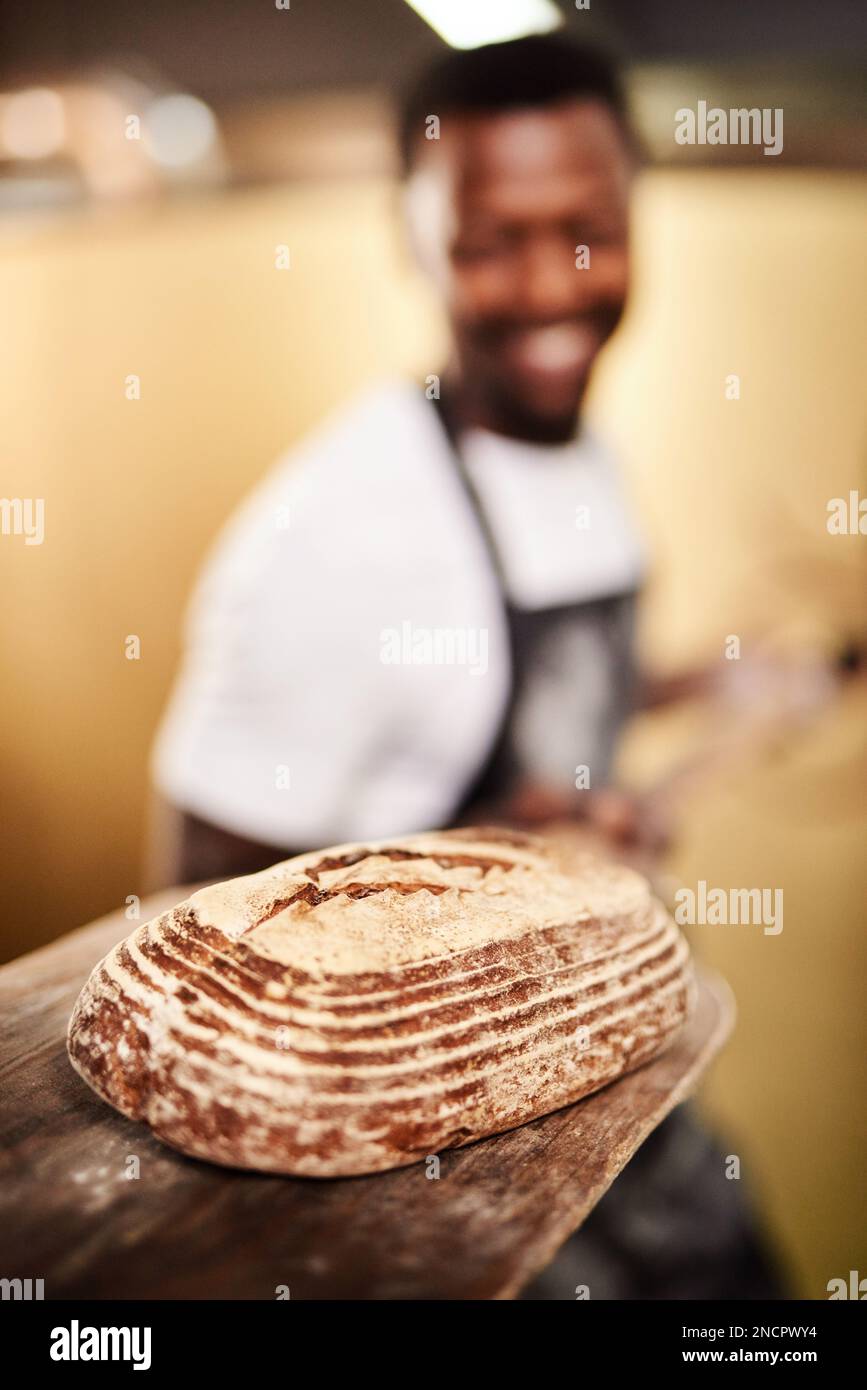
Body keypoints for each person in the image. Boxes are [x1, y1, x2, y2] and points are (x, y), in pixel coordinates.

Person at [152, 33, 783, 1299]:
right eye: (494, 241)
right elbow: (197, 934)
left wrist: (712, 686)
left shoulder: (579, 450)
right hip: (447, 1163)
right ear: (414, 236)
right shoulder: (329, 538)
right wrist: (493, 873)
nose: (552, 287)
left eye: (589, 233)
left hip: (623, 1078)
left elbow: (513, 693)